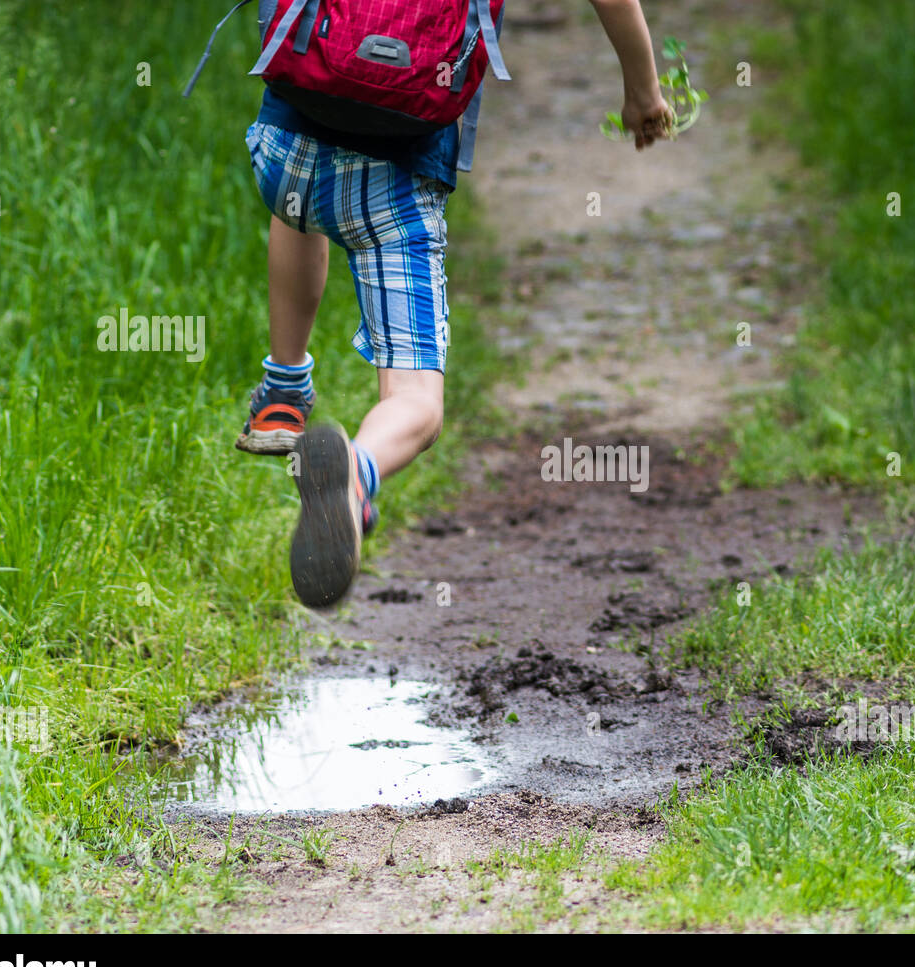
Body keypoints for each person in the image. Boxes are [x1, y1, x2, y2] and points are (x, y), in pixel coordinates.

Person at [238, 0, 673, 607]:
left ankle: (282, 392)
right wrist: (642, 90)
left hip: (284, 155)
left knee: (299, 210)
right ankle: (354, 475)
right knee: (417, 403)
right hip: (397, 180)